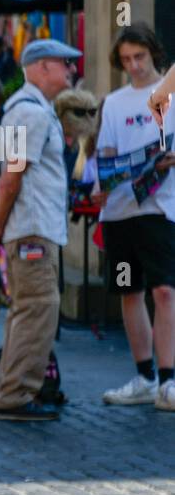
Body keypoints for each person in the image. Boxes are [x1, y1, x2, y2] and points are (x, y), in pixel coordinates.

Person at [0, 39, 79, 421]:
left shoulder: (29, 110)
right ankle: (16, 394)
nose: (71, 71)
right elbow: (10, 180)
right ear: (42, 67)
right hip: (32, 230)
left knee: (29, 310)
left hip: (33, 228)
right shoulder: (31, 113)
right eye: (65, 64)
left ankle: (11, 389)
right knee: (38, 309)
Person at [92, 24, 175, 410]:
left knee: (164, 290)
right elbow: (105, 152)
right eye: (126, 60)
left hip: (162, 207)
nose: (134, 66)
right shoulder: (114, 102)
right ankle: (144, 375)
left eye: (139, 57)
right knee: (129, 290)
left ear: (153, 53)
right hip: (120, 210)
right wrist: (102, 179)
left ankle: (168, 378)